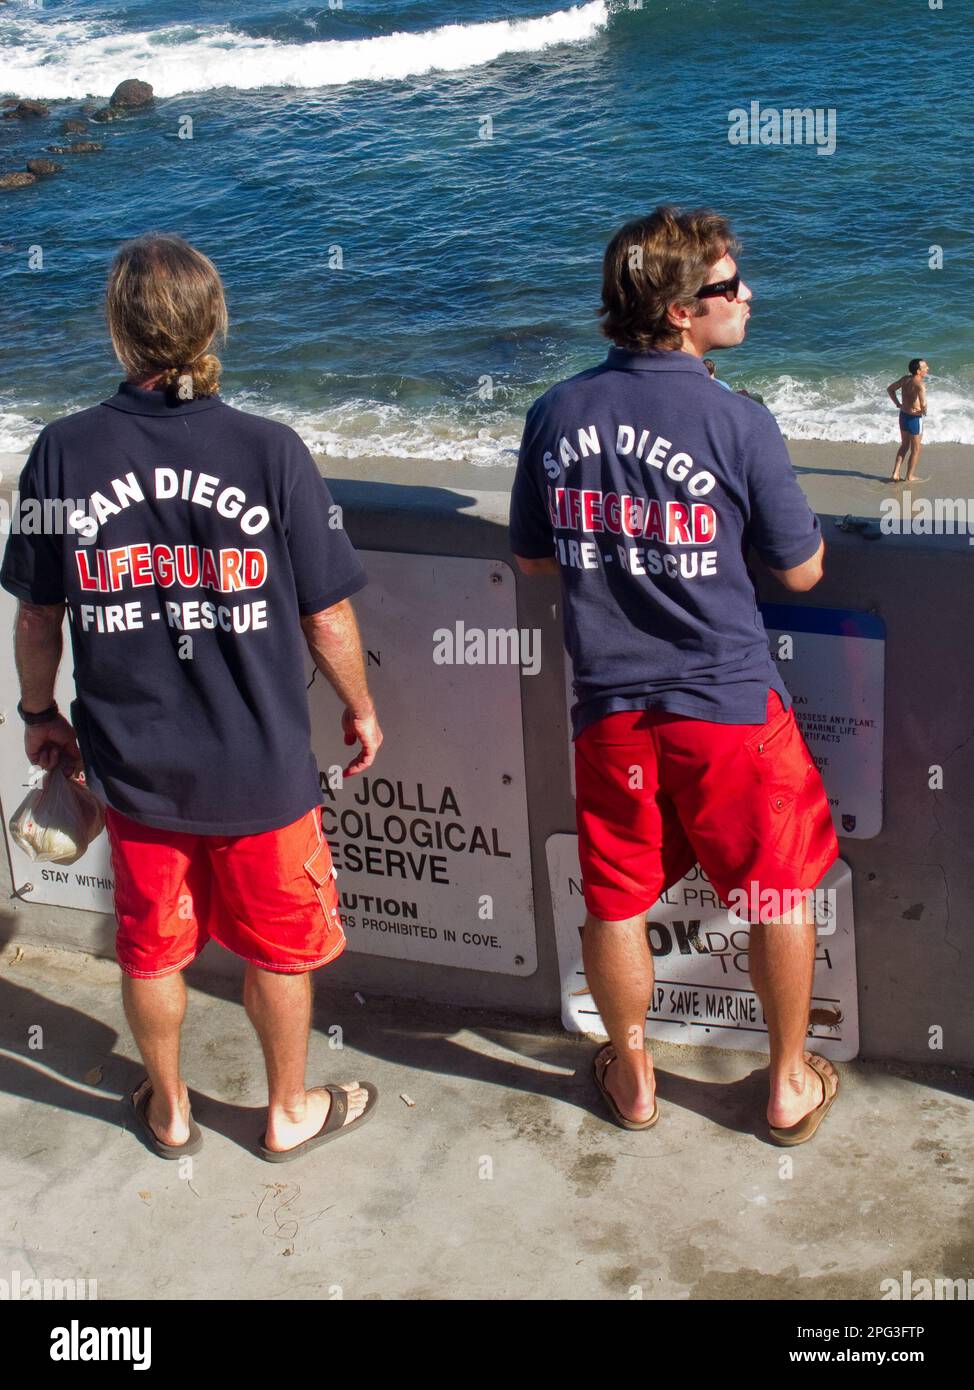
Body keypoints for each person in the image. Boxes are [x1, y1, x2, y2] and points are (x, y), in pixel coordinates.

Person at [1, 233, 382, 1162]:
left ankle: (170, 1110)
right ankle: (287, 1111)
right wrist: (361, 707)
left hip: (135, 769)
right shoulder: (270, 450)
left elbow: (38, 614)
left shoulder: (63, 452)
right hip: (259, 769)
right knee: (277, 952)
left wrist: (39, 712)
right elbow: (325, 615)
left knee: (153, 945)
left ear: (119, 333)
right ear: (215, 323)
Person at [509, 205, 840, 1146]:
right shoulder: (737, 419)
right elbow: (803, 568)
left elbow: (534, 558)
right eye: (729, 287)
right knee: (777, 893)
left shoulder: (557, 413)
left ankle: (635, 1073)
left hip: (610, 713)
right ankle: (784, 1085)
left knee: (613, 898)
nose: (748, 296)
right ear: (679, 309)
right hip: (729, 708)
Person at [887, 358, 929, 483]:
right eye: (925, 367)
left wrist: (898, 404)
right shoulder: (920, 384)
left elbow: (890, 389)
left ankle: (895, 473)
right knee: (916, 450)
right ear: (918, 371)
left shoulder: (905, 379)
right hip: (914, 419)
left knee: (904, 445)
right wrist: (924, 412)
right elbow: (923, 404)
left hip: (903, 415)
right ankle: (910, 476)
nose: (927, 369)